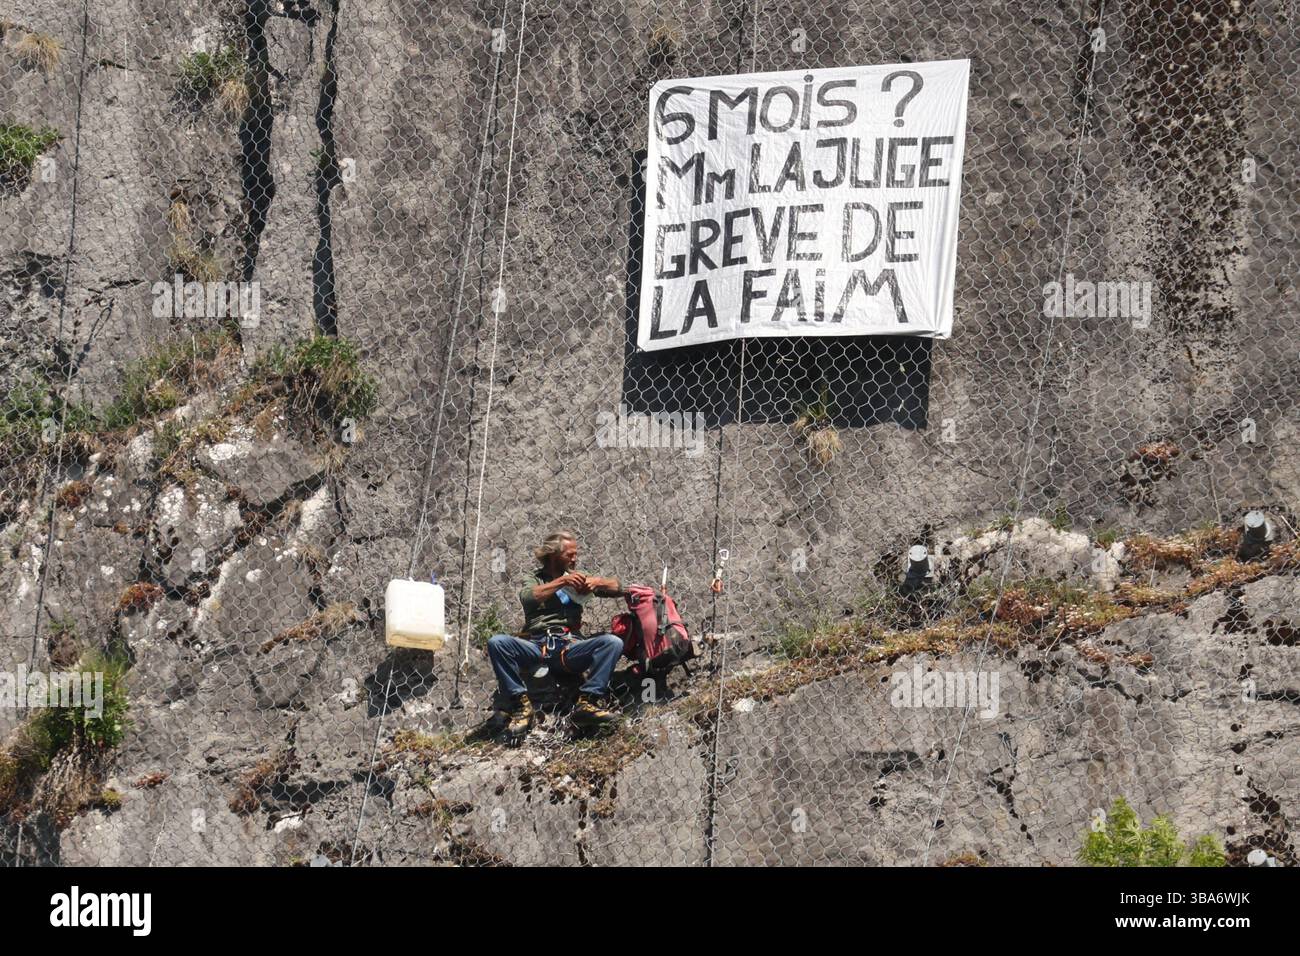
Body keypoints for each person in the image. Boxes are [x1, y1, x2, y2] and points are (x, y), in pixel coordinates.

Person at [487, 530, 625, 739]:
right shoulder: (534, 578)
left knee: (612, 642)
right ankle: (521, 706)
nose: (575, 558)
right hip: (536, 646)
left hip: (569, 648)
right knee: (497, 643)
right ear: (553, 555)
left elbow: (618, 587)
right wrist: (562, 582)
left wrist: (597, 582)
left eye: (575, 554)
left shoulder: (579, 577)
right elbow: (529, 598)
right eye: (570, 554)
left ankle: (586, 704)